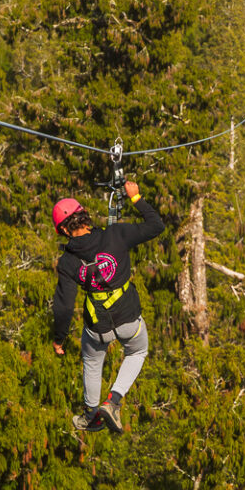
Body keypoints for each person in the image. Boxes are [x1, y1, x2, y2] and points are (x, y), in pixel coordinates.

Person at [51, 181, 165, 432]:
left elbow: (64, 306)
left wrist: (58, 340)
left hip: (98, 326)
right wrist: (136, 198)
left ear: (63, 232)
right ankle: (113, 401)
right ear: (85, 216)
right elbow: (157, 225)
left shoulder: (68, 262)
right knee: (137, 352)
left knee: (92, 361)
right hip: (128, 318)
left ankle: (91, 414)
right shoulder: (115, 235)